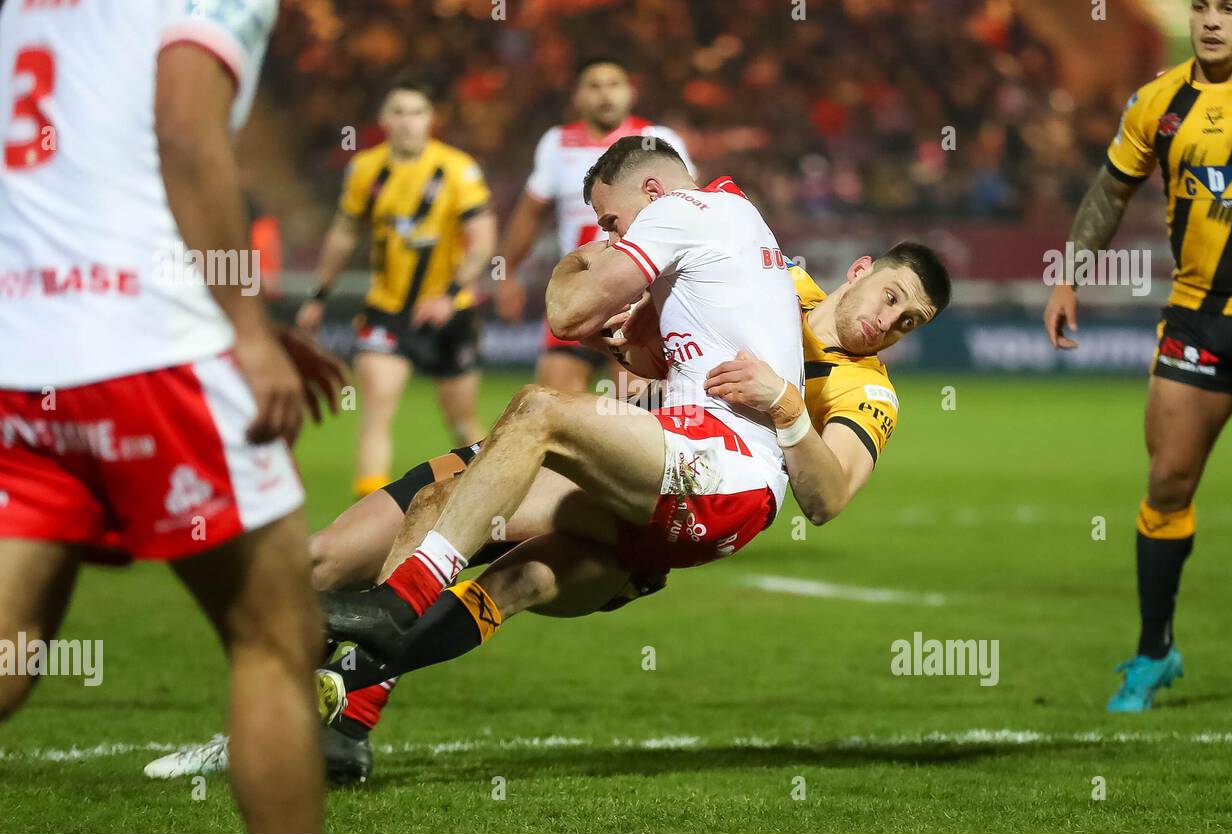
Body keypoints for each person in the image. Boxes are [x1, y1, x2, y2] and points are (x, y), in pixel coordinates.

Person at [147, 240, 951, 785]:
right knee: (343, 551)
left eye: (908, 322)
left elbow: (829, 494)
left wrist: (788, 411)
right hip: (601, 448)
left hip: (651, 509)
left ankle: (313, 723)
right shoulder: (770, 282)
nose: (888, 322)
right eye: (891, 297)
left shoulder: (866, 391)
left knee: (516, 580)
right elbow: (653, 347)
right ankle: (337, 721)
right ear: (862, 266)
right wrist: (627, 346)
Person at [0, 0, 346, 832]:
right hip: (151, 357)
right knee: (276, 640)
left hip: (23, 357)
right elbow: (186, 128)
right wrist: (243, 325)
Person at [1043, 0, 1232, 712]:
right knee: (1167, 484)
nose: (1211, 20)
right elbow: (1110, 188)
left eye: (1230, 8)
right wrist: (1069, 275)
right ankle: (1154, 653)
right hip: (1196, 322)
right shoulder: (1160, 101)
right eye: (1200, 7)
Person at [297, 77, 497, 498]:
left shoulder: (457, 169)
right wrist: (318, 296)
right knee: (376, 414)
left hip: (451, 311)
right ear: (384, 120)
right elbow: (344, 233)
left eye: (417, 112)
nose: (408, 122)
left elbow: (482, 239)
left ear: (431, 119)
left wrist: (449, 293)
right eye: (399, 112)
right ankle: (370, 526)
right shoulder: (366, 169)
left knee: (462, 424)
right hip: (386, 309)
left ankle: (488, 505)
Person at [495, 58, 694, 393]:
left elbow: (692, 207)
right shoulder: (557, 143)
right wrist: (508, 274)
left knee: (634, 409)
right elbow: (529, 213)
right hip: (581, 290)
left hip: (639, 292)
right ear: (577, 96)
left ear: (631, 93)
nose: (606, 94)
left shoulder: (655, 138)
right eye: (595, 85)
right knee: (552, 407)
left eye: (614, 84)